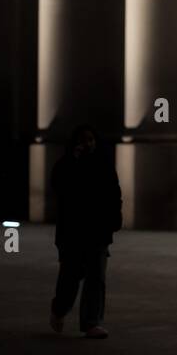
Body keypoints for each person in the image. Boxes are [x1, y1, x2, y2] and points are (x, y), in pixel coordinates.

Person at [49, 126, 123, 340]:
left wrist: (114, 219)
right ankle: (59, 309)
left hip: (97, 230)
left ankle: (91, 323)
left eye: (91, 139)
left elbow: (113, 193)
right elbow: (60, 187)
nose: (88, 144)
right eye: (83, 140)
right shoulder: (66, 165)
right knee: (70, 277)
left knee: (96, 277)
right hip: (73, 230)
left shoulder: (104, 166)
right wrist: (73, 161)